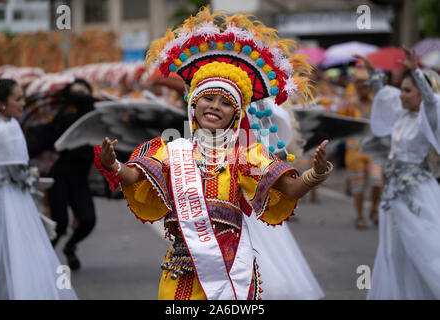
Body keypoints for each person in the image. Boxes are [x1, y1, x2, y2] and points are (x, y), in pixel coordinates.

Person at [94, 7, 332, 300]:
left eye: (225, 103)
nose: (214, 107)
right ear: (193, 104)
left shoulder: (246, 155)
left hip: (232, 271)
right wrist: (114, 164)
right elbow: (135, 176)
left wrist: (316, 174)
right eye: (208, 98)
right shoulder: (172, 150)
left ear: (236, 114)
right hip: (181, 270)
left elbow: (291, 188)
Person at [356, 48, 440, 299]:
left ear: (421, 94)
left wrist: (416, 71)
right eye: (401, 90)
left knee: (424, 249)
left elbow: (432, 101)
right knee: (394, 251)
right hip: (393, 194)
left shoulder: (429, 117)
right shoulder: (402, 116)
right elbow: (384, 94)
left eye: (407, 90)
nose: (401, 96)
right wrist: (372, 73)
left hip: (417, 193)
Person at [0, 78, 77, 299]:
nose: (22, 104)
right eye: (17, 99)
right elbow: (17, 172)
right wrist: (32, 176)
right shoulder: (8, 129)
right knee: (22, 252)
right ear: (1, 103)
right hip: (11, 198)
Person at [47, 78, 98, 270]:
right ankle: (43, 257)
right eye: (75, 93)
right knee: (59, 224)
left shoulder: (97, 116)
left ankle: (70, 247)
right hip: (58, 176)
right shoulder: (60, 117)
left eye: (83, 93)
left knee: (88, 220)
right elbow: (47, 141)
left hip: (80, 179)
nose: (79, 97)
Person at [338, 68, 383, 229]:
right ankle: (359, 216)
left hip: (373, 150)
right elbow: (339, 118)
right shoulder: (349, 101)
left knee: (378, 182)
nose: (363, 87)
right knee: (358, 186)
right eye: (359, 83)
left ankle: (373, 209)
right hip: (355, 152)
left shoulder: (376, 100)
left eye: (365, 84)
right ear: (355, 85)